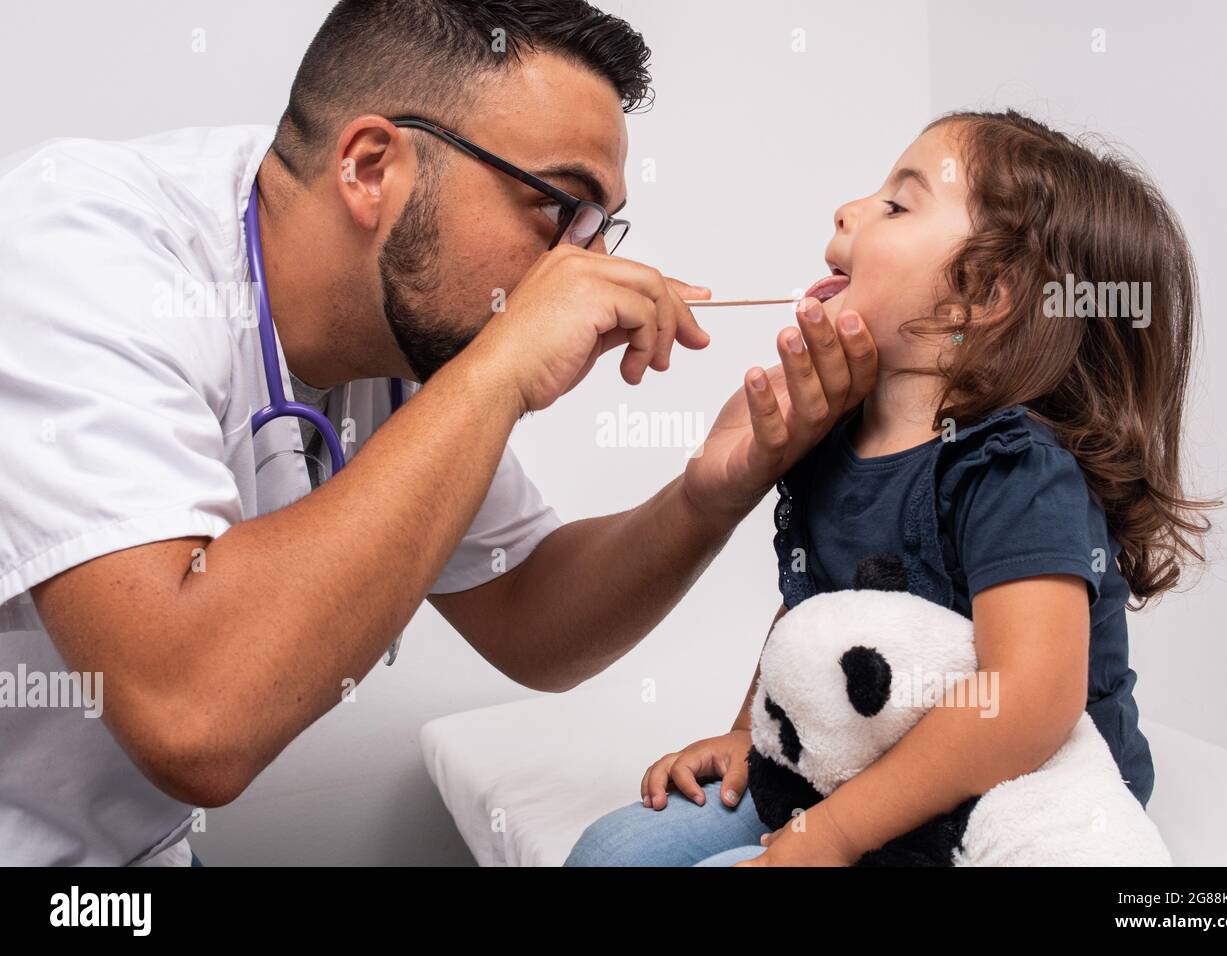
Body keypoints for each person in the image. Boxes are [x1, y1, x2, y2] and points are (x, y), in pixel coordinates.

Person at [0, 0, 877, 865]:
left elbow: (529, 615)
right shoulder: (76, 249)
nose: (584, 264)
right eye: (557, 207)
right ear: (371, 167)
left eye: (598, 226)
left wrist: (708, 493)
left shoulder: (407, 333)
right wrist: (500, 370)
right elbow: (193, 716)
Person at [564, 109, 1217, 867]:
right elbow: (817, 619)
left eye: (897, 205)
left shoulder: (1016, 470)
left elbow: (1029, 703)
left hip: (1012, 793)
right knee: (612, 850)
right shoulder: (832, 440)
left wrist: (833, 836)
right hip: (859, 767)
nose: (847, 211)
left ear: (980, 293)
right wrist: (752, 735)